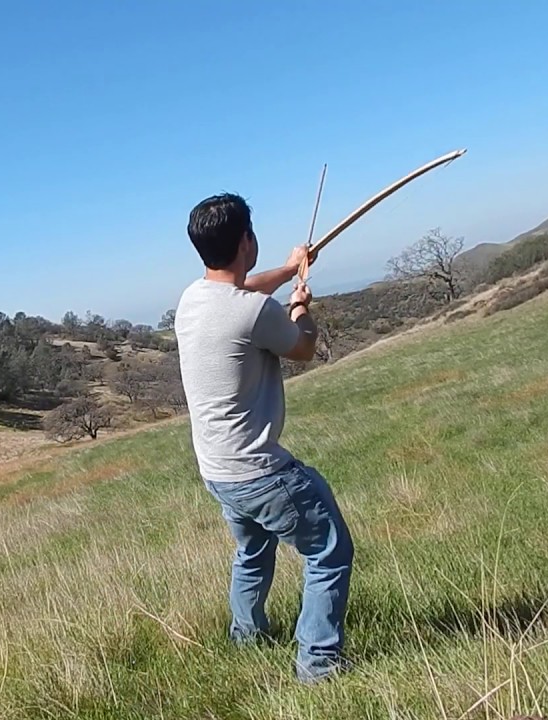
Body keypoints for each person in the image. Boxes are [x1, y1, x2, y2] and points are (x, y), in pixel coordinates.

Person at [173, 192, 354, 684]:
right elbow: (304, 349)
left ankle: (247, 638)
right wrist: (300, 307)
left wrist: (291, 265)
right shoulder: (255, 314)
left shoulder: (192, 299)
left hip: (218, 472)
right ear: (246, 240)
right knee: (329, 551)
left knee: (252, 551)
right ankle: (318, 665)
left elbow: (244, 290)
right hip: (259, 473)